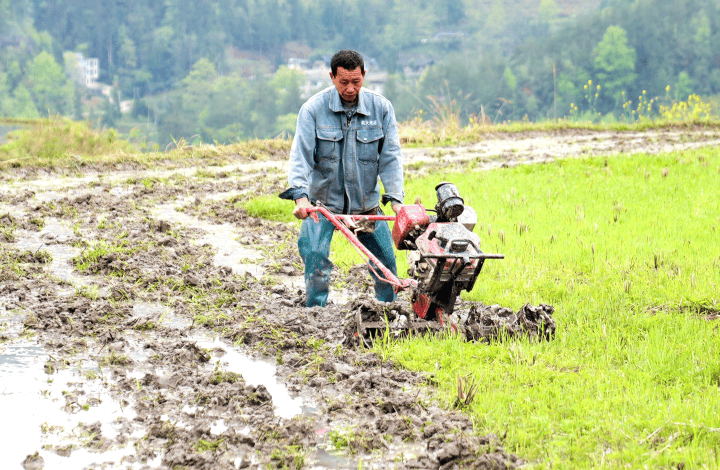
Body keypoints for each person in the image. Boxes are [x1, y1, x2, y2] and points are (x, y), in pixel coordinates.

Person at [279, 49, 405, 308]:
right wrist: (301, 198)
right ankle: (316, 313)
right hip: (322, 205)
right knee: (315, 256)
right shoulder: (313, 110)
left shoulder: (381, 109)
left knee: (386, 264)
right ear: (332, 77)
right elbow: (300, 156)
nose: (350, 88)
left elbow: (390, 157)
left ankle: (389, 311)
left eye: (356, 82)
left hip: (366, 205)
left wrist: (396, 201)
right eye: (344, 82)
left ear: (364, 76)